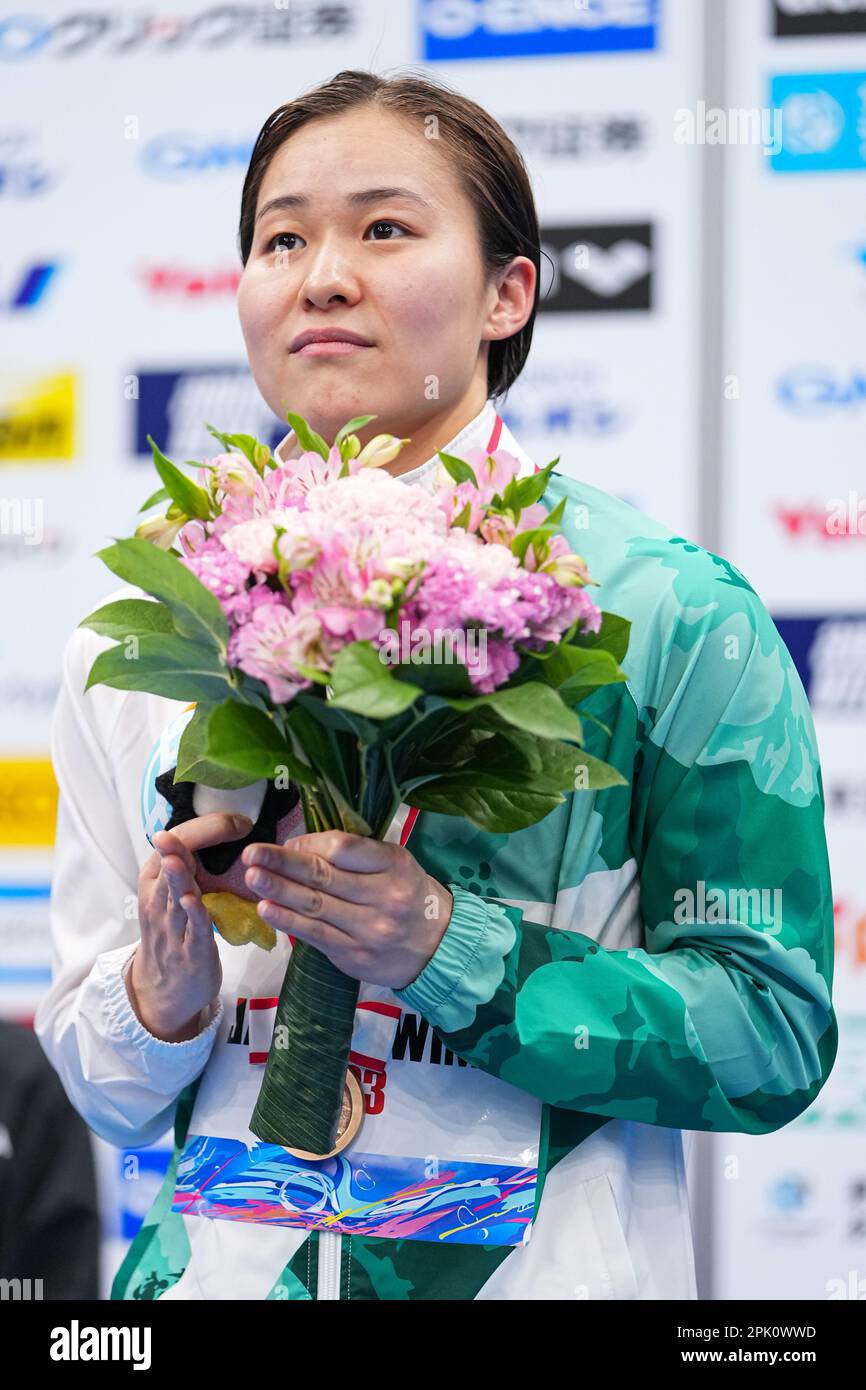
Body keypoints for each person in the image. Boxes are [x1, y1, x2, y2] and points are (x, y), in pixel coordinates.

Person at [35, 69, 837, 1301]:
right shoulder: (159, 618)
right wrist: (160, 999)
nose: (323, 275)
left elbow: (768, 1037)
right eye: (281, 237)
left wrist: (446, 947)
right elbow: (107, 1092)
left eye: (384, 228)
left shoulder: (665, 615)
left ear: (507, 292)